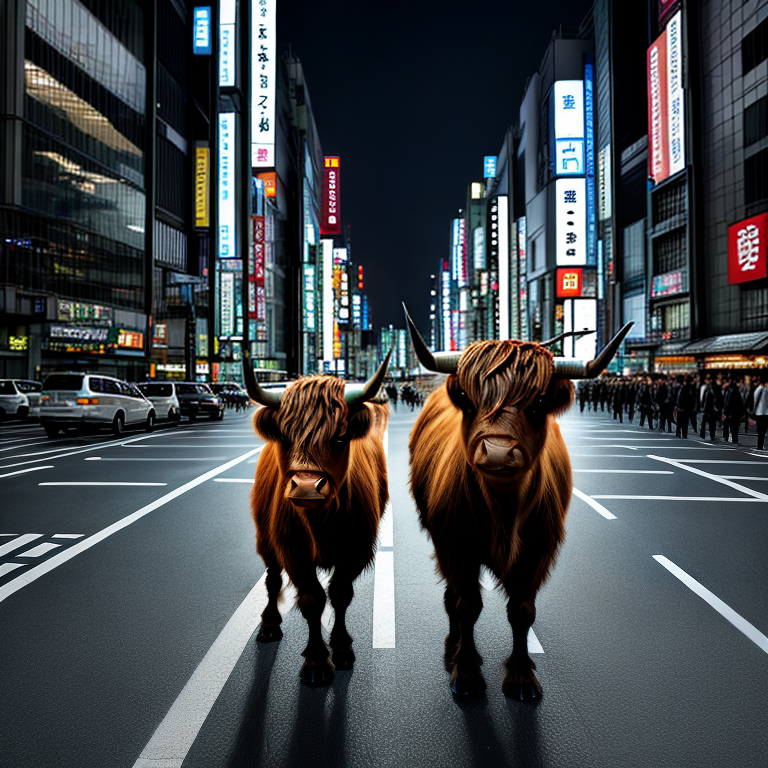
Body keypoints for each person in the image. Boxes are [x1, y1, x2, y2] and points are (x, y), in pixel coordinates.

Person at [722, 377, 744, 444]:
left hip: (731, 412)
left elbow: (733, 403)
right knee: (732, 427)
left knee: (731, 426)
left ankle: (729, 438)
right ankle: (732, 439)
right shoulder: (732, 391)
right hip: (732, 413)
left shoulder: (731, 390)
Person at [675, 375, 697, 439]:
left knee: (682, 422)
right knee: (682, 422)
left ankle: (680, 433)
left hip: (684, 408)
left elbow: (688, 399)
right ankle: (681, 433)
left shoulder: (687, 389)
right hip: (683, 408)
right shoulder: (682, 388)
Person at [700, 375, 721, 441]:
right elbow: (704, 399)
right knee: (705, 423)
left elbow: (716, 399)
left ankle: (712, 435)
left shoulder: (714, 389)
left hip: (712, 410)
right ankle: (703, 435)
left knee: (711, 424)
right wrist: (702, 406)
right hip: (707, 409)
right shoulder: (706, 389)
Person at [753, 376, 768, 451]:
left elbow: (755, 401)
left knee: (760, 432)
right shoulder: (765, 390)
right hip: (765, 413)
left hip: (758, 412)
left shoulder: (757, 390)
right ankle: (761, 446)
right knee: (763, 431)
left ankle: (759, 446)